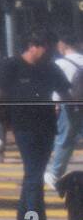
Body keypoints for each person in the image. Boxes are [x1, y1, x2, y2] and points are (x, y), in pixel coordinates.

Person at [0, 33, 71, 220]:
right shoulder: (11, 66)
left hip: (47, 128)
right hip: (23, 128)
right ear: (31, 45)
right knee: (35, 180)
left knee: (32, 179)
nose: (47, 51)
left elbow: (66, 93)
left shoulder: (50, 68)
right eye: (44, 47)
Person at [45, 35, 83, 190]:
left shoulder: (61, 63)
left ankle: (54, 174)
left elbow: (58, 89)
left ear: (63, 44)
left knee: (64, 141)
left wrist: (55, 106)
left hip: (70, 107)